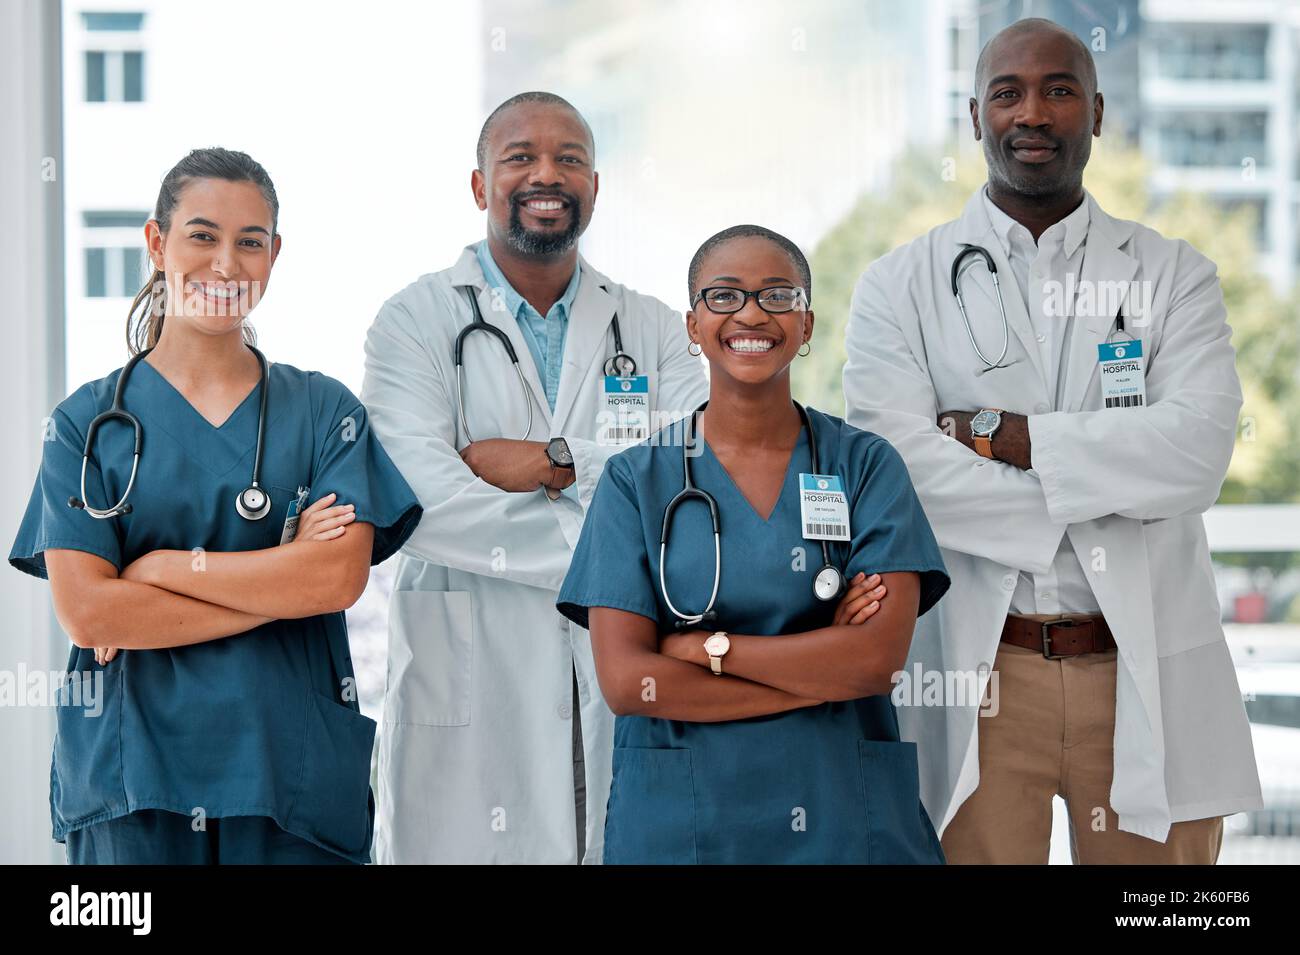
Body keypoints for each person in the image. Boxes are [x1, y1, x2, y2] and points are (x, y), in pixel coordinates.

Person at [843, 18, 1262, 863]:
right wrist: (1104, 475)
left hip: (1143, 668)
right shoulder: (897, 287)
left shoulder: (1174, 274)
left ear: (1098, 113)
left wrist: (1014, 437)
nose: (1032, 112)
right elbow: (904, 475)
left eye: (1059, 90)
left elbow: (1198, 451)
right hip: (985, 674)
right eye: (1008, 92)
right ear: (975, 118)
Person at [8, 147, 422, 864]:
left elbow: (335, 580)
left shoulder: (324, 412)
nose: (226, 265)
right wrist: (280, 576)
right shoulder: (85, 424)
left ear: (274, 254)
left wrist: (160, 568)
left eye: (249, 241)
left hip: (288, 778)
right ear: (156, 242)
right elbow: (93, 613)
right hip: (135, 781)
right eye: (203, 235)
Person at [362, 91, 708, 864]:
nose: (546, 174)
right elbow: (424, 502)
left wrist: (556, 463)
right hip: (470, 689)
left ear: (594, 185)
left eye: (570, 159)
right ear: (481, 185)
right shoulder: (413, 322)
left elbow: (698, 483)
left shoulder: (651, 327)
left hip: (621, 684)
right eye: (520, 157)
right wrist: (622, 544)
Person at [556, 225, 950, 864]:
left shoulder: (867, 466)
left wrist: (710, 649)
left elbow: (875, 661)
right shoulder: (636, 479)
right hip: (689, 822)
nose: (750, 315)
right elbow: (630, 682)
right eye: (724, 296)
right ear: (692, 324)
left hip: (840, 816)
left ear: (807, 321)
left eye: (776, 296)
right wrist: (822, 672)